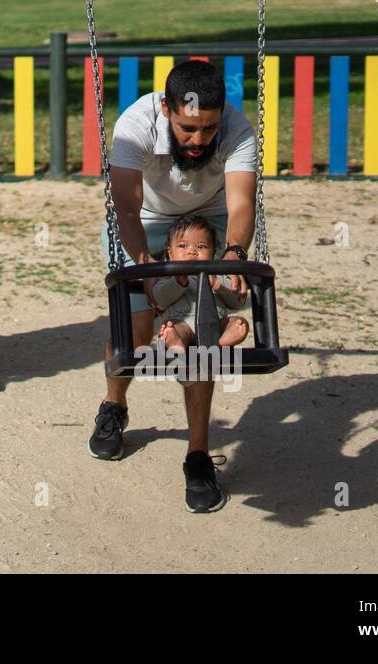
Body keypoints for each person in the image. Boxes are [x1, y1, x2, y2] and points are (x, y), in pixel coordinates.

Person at [89, 59, 257, 513]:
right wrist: (145, 265)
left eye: (208, 129)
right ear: (166, 108)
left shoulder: (238, 130)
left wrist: (235, 255)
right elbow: (125, 206)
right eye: (187, 129)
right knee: (137, 329)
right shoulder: (135, 125)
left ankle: (198, 455)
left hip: (208, 221)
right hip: (143, 220)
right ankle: (114, 405)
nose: (198, 140)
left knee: (202, 330)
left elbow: (242, 202)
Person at [151, 214, 249, 354]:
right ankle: (176, 342)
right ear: (170, 253)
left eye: (201, 246)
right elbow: (158, 300)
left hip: (216, 323)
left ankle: (223, 341)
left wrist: (218, 285)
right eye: (182, 246)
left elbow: (237, 301)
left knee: (238, 322)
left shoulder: (218, 274)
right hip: (181, 322)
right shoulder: (168, 276)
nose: (191, 251)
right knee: (173, 328)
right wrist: (178, 283)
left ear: (213, 252)